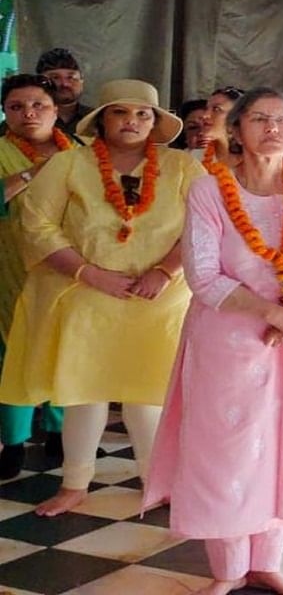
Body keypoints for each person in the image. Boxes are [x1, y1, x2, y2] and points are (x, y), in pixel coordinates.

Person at [144, 87, 283, 595]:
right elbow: (203, 275)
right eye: (260, 119)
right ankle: (228, 569)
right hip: (229, 339)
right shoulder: (209, 189)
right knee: (227, 452)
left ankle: (267, 562)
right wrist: (271, 313)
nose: (273, 129)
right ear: (235, 130)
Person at [0, 79, 203, 516]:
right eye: (120, 113)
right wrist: (90, 273)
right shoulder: (68, 164)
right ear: (101, 120)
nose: (131, 122)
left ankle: (156, 481)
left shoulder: (184, 167)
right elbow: (36, 227)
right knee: (83, 391)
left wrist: (164, 273)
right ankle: (75, 483)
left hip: (160, 298)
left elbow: (205, 229)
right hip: (83, 292)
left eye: (142, 114)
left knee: (148, 393)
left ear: (154, 123)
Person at [0, 74, 79, 479]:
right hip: (13, 266)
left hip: (71, 269)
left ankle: (62, 435)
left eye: (38, 106)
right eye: (16, 107)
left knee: (66, 348)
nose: (28, 114)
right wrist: (34, 172)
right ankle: (11, 444)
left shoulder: (81, 152)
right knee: (16, 350)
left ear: (56, 110)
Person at [35, 48, 92, 134]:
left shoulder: (96, 119)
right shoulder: (28, 119)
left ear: (81, 80)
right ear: (40, 82)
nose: (65, 84)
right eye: (55, 77)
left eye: (71, 77)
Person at [190, 87, 244, 170]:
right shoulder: (195, 158)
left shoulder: (257, 160)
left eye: (216, 109)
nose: (205, 115)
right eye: (207, 109)